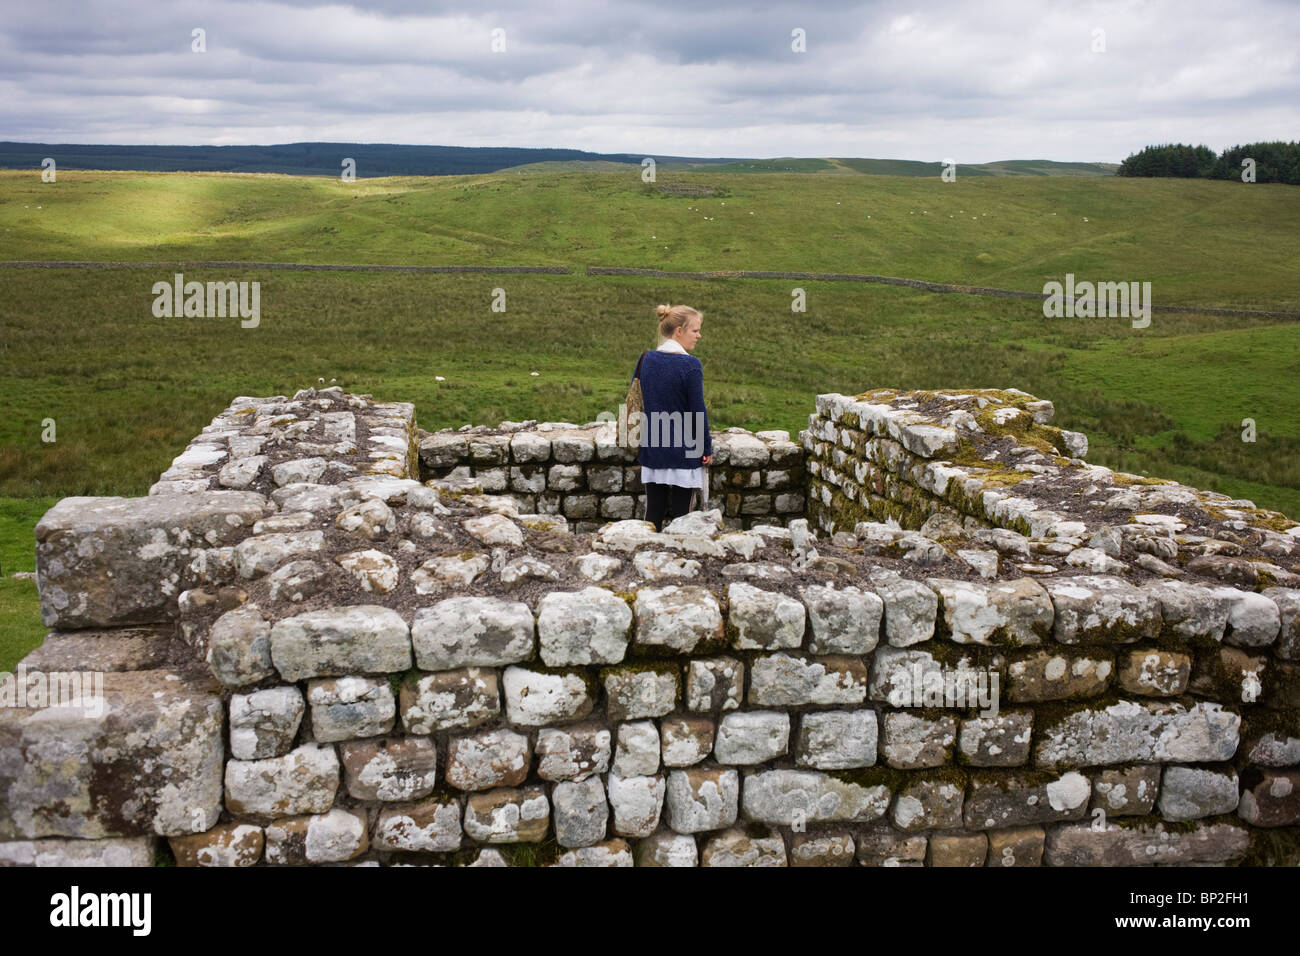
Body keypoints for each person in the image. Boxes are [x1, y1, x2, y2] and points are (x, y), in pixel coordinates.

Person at [632, 303, 713, 531]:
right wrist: (706, 449)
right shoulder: (690, 365)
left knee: (652, 514)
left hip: (653, 446)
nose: (699, 335)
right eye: (695, 330)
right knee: (682, 518)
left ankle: (646, 554)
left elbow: (637, 400)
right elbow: (698, 411)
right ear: (679, 330)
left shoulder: (646, 359)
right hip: (684, 451)